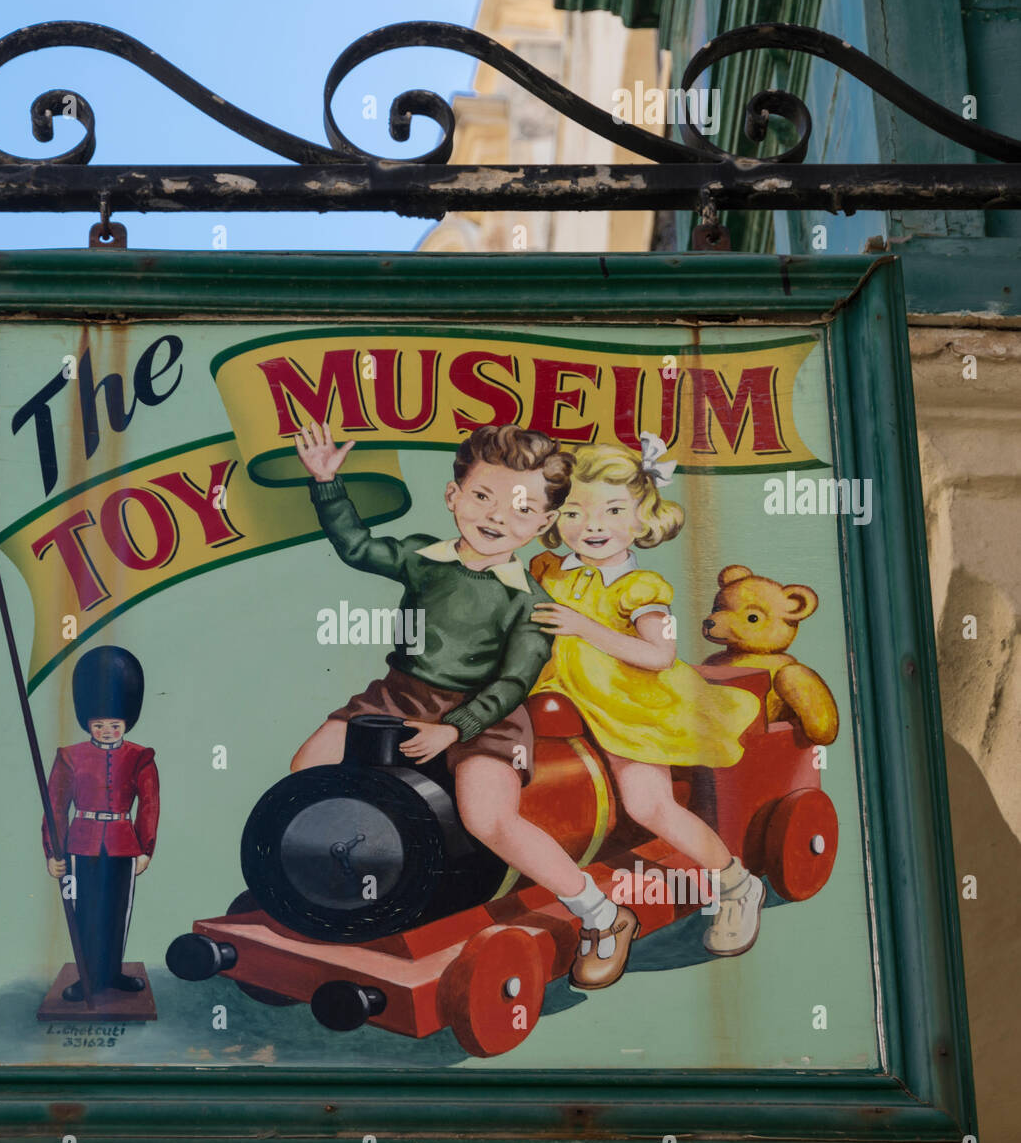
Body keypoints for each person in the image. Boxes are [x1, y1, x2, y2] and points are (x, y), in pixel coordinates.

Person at [292, 419, 620, 946]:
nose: (496, 515)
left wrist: (454, 729)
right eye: (484, 495)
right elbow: (356, 547)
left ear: (545, 521)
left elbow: (513, 683)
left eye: (521, 507)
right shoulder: (424, 559)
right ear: (454, 494)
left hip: (486, 717)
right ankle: (339, 889)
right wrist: (326, 482)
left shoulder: (532, 604)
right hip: (398, 694)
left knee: (487, 818)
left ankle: (600, 914)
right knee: (308, 768)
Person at [529, 436, 764, 985]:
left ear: (640, 520)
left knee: (648, 805)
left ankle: (734, 883)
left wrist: (585, 627)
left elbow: (660, 653)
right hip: (561, 701)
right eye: (574, 511)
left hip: (632, 708)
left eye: (612, 510)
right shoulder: (550, 570)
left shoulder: (638, 585)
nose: (592, 525)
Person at [44, 646, 158, 1001]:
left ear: (125, 722)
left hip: (124, 844)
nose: (107, 730)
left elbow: (150, 806)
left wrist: (146, 849)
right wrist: (53, 850)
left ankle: (111, 974)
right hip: (81, 844)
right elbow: (56, 807)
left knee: (116, 914)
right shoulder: (69, 757)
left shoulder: (140, 757)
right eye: (99, 725)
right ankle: (87, 976)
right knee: (86, 913)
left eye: (114, 724)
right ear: (87, 722)